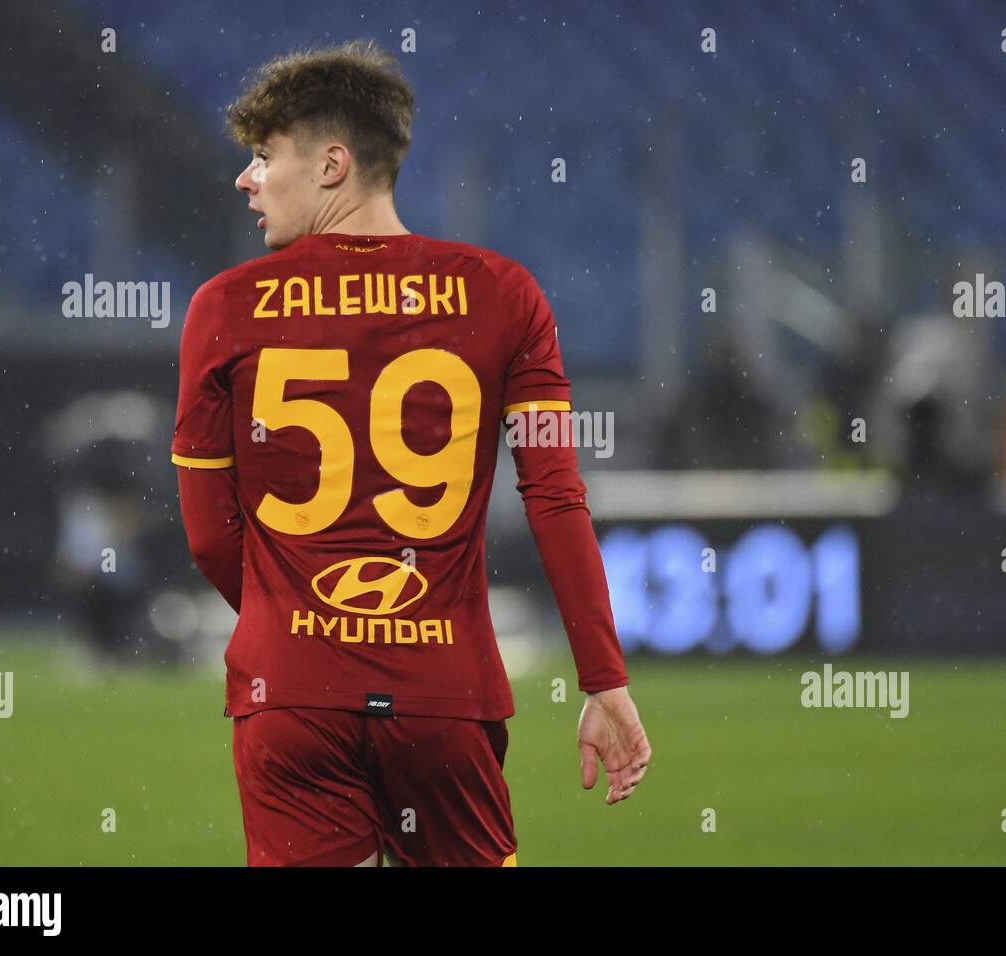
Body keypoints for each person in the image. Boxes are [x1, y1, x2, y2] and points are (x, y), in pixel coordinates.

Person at [171, 40, 650, 867]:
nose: (246, 179)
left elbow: (213, 539)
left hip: (290, 699)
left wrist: (295, 621)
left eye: (262, 156)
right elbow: (555, 498)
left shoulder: (223, 308)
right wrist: (604, 680)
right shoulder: (505, 295)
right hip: (445, 699)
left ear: (331, 165)